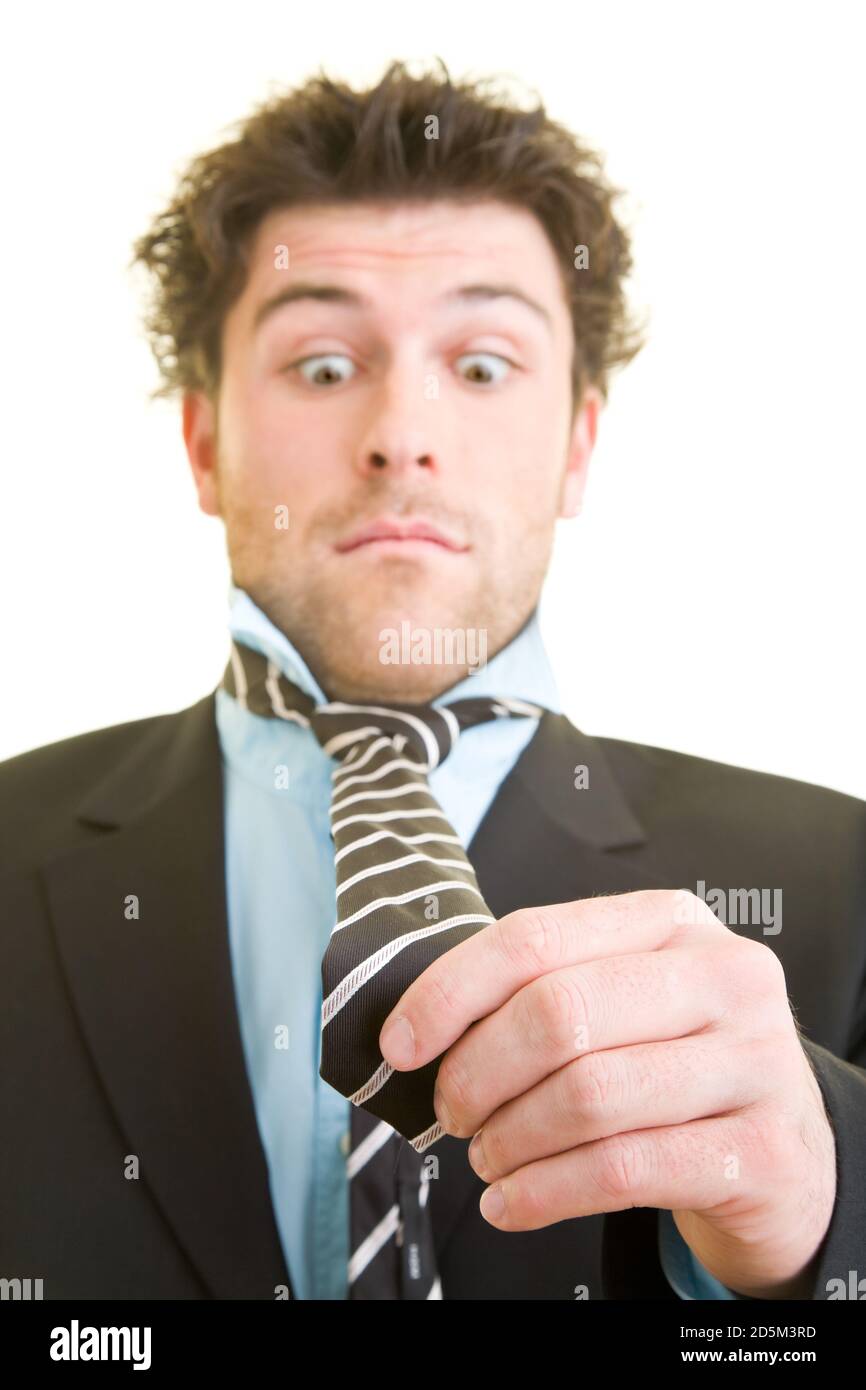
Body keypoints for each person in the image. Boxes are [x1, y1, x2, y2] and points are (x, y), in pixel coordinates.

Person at [2, 58, 864, 1302]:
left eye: (479, 364)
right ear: (203, 441)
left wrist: (816, 1216)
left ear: (575, 446)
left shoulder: (841, 883)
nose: (402, 430)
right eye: (320, 363)